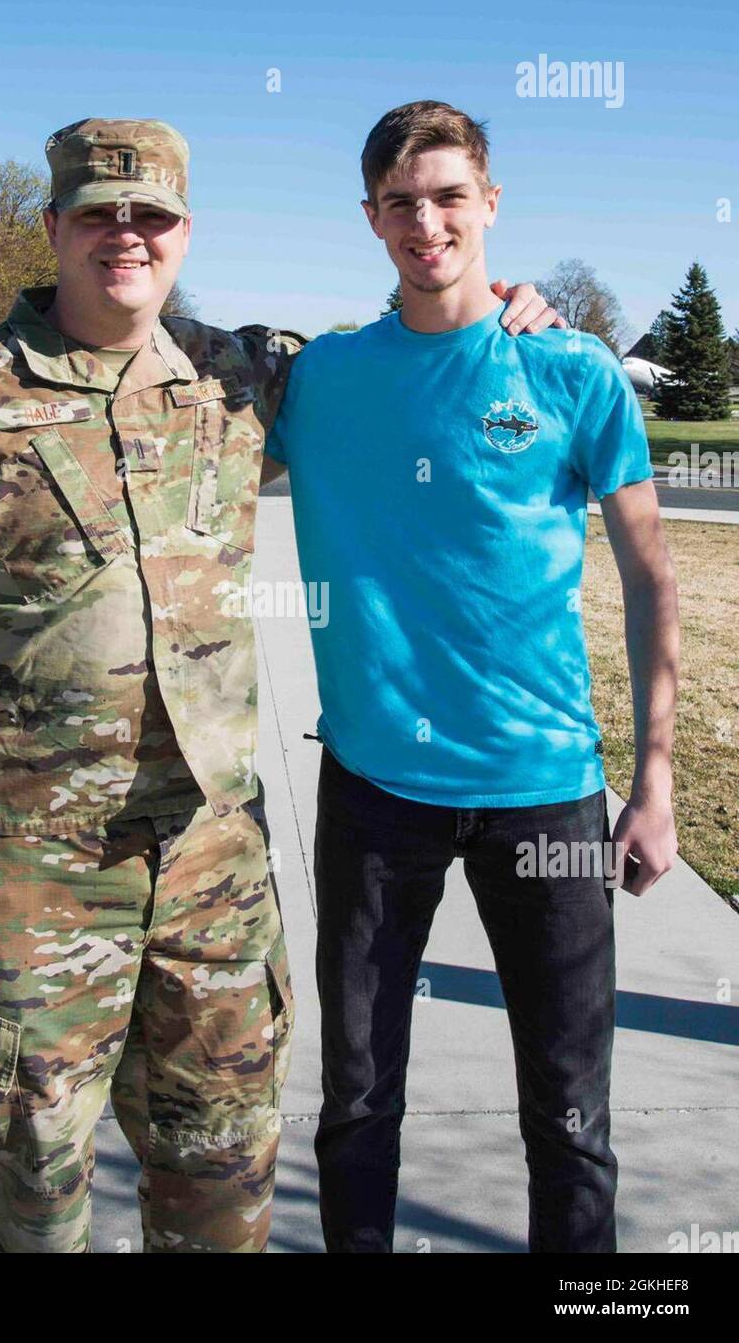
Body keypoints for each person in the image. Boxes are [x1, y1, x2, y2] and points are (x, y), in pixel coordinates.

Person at [0, 113, 556, 1254]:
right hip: (26, 878)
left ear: (184, 231)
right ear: (54, 226)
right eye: (98, 213)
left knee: (225, 1182)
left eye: (152, 215)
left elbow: (410, 357)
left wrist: (510, 314)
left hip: (214, 872)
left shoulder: (243, 377)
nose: (126, 236)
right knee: (36, 1192)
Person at [263, 99, 679, 1253]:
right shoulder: (323, 381)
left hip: (544, 791)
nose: (426, 221)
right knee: (355, 1106)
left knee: (570, 1116)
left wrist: (653, 782)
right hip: (373, 794)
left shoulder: (571, 369)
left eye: (449, 196)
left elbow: (651, 578)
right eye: (401, 202)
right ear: (369, 218)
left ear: (490, 204)